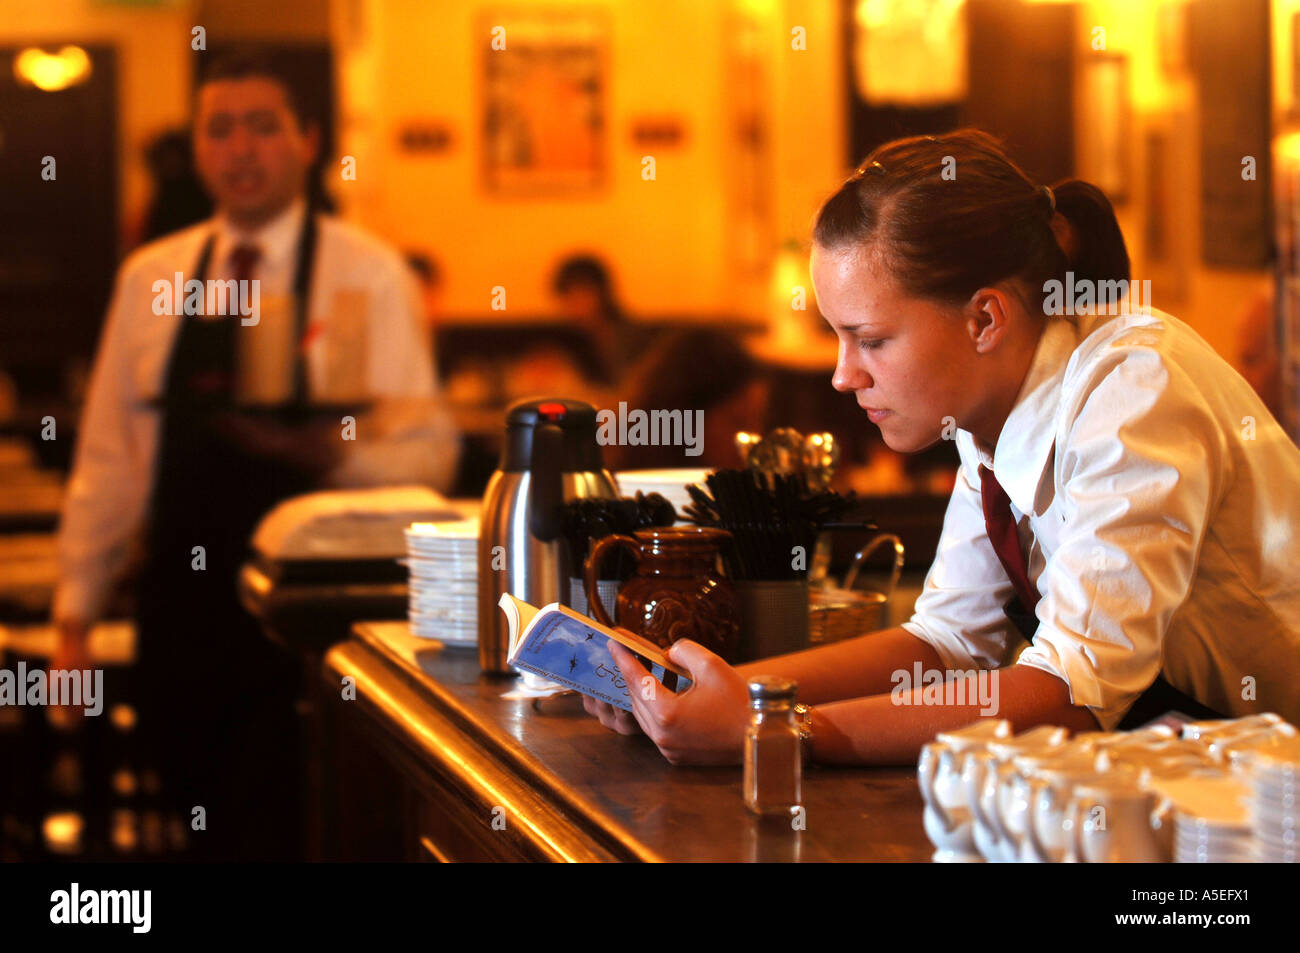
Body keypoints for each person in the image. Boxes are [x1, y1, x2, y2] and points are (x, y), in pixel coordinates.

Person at [584, 129, 1300, 765]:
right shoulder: (987, 415)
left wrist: (775, 730)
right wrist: (729, 692)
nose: (842, 373)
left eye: (870, 339)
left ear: (985, 317)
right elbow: (945, 642)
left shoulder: (1135, 390)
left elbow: (1070, 694)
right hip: (1216, 768)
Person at [51, 49, 459, 857]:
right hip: (180, 611)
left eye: (262, 127)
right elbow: (110, 459)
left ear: (308, 140)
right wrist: (75, 615)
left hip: (316, 622)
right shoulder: (152, 278)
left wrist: (320, 452)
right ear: (198, 148)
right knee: (193, 823)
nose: (241, 149)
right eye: (220, 129)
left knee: (285, 830)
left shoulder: (369, 274)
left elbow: (429, 456)